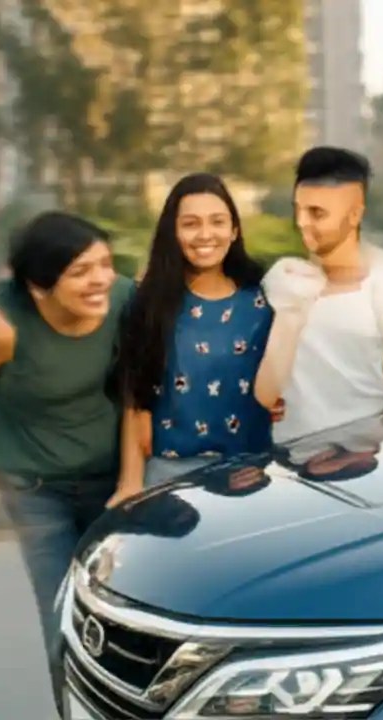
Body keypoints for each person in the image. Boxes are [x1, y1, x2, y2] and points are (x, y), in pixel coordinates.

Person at [0, 210, 134, 712]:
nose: (100, 279)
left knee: (124, 611)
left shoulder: (126, 302)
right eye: (81, 271)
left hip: (111, 478)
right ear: (40, 288)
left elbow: (137, 393)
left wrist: (132, 478)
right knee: (63, 615)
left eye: (104, 264)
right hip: (37, 486)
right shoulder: (4, 327)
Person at [113, 173, 282, 498]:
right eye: (190, 224)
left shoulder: (264, 297)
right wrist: (130, 484)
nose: (205, 234)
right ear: (173, 232)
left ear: (234, 230)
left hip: (250, 471)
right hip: (171, 475)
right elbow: (136, 398)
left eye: (217, 222)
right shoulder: (149, 301)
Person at [256, 146, 383, 442]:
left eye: (317, 213)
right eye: (299, 209)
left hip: (366, 453)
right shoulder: (280, 281)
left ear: (355, 214)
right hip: (289, 455)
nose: (302, 222)